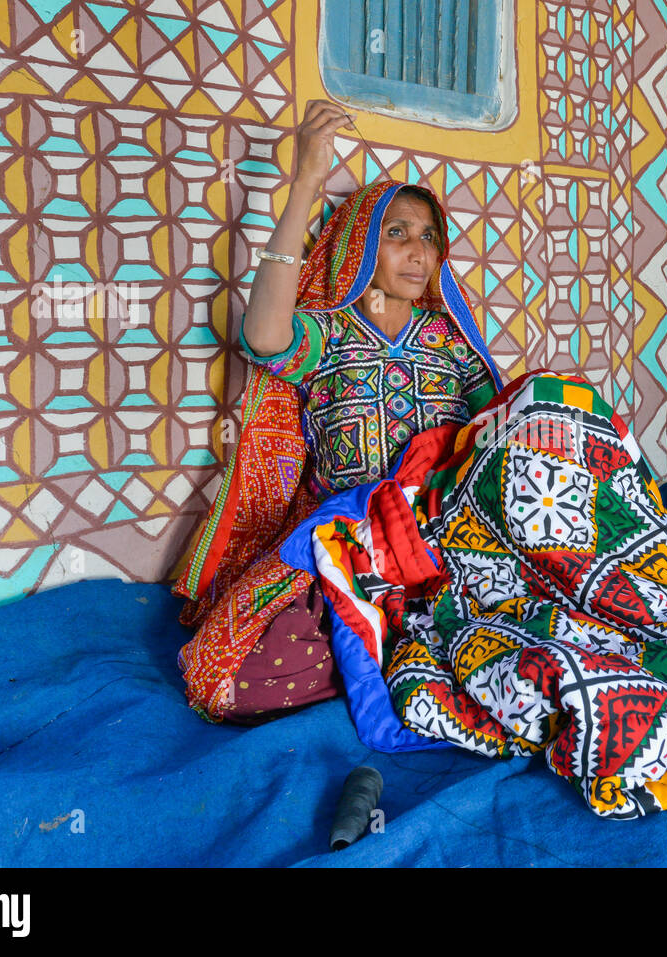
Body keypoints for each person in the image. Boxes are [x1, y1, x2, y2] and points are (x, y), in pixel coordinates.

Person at [172, 100, 502, 724]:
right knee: (225, 678)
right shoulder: (328, 333)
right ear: (359, 244)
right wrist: (306, 182)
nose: (418, 251)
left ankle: (407, 639)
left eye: (430, 238)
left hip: (438, 536)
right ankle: (396, 643)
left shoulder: (452, 340)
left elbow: (501, 434)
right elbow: (263, 338)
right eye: (397, 233)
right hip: (342, 536)